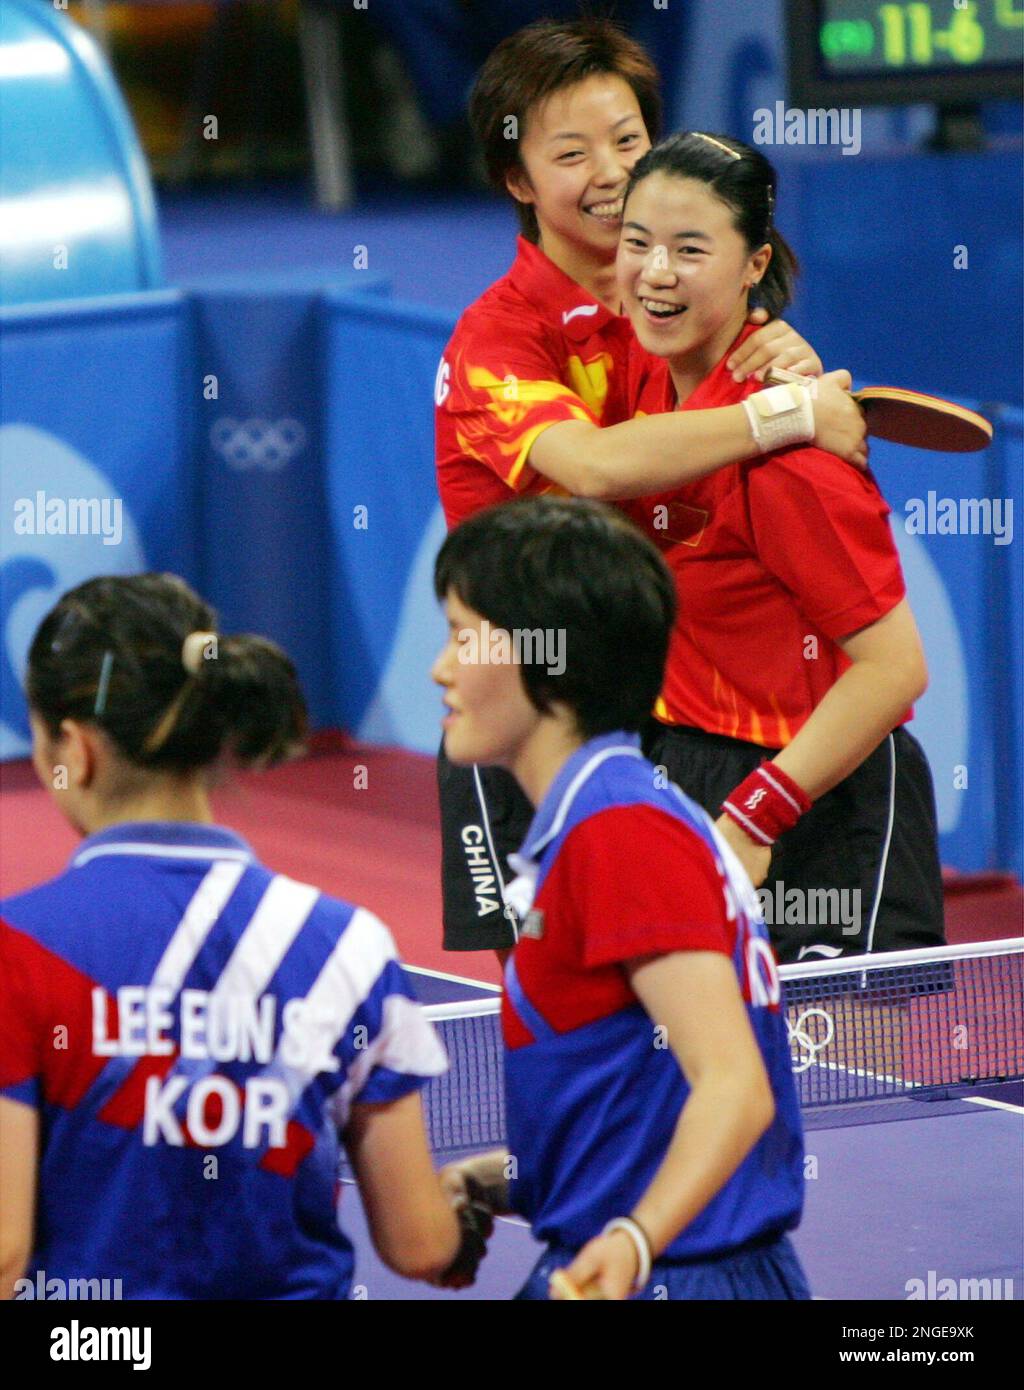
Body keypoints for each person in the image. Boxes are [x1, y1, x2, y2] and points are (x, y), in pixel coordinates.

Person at [435, 17, 868, 962]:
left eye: (628, 142)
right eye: (570, 152)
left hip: (669, 719)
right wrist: (790, 415)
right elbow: (590, 467)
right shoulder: (496, 340)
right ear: (517, 179)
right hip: (532, 708)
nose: (609, 171)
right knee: (560, 1017)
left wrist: (789, 371)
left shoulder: (670, 306)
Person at [0, 574, 489, 1300]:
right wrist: (478, 1200)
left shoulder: (19, 948)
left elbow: (5, 1250)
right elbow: (420, 1245)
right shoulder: (348, 946)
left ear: (76, 747)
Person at [431, 496, 809, 1301]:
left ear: (547, 659)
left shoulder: (619, 831)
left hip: (676, 1281)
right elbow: (633, 1107)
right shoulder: (611, 814)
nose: (442, 668)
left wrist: (636, 1242)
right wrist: (496, 1180)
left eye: (464, 636)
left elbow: (734, 1086)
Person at [616, 131, 945, 963]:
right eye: (637, 243)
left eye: (690, 249)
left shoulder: (793, 464)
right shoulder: (646, 381)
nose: (656, 272)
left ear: (754, 263)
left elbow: (895, 668)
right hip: (687, 762)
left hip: (819, 794)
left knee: (848, 1090)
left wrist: (761, 810)